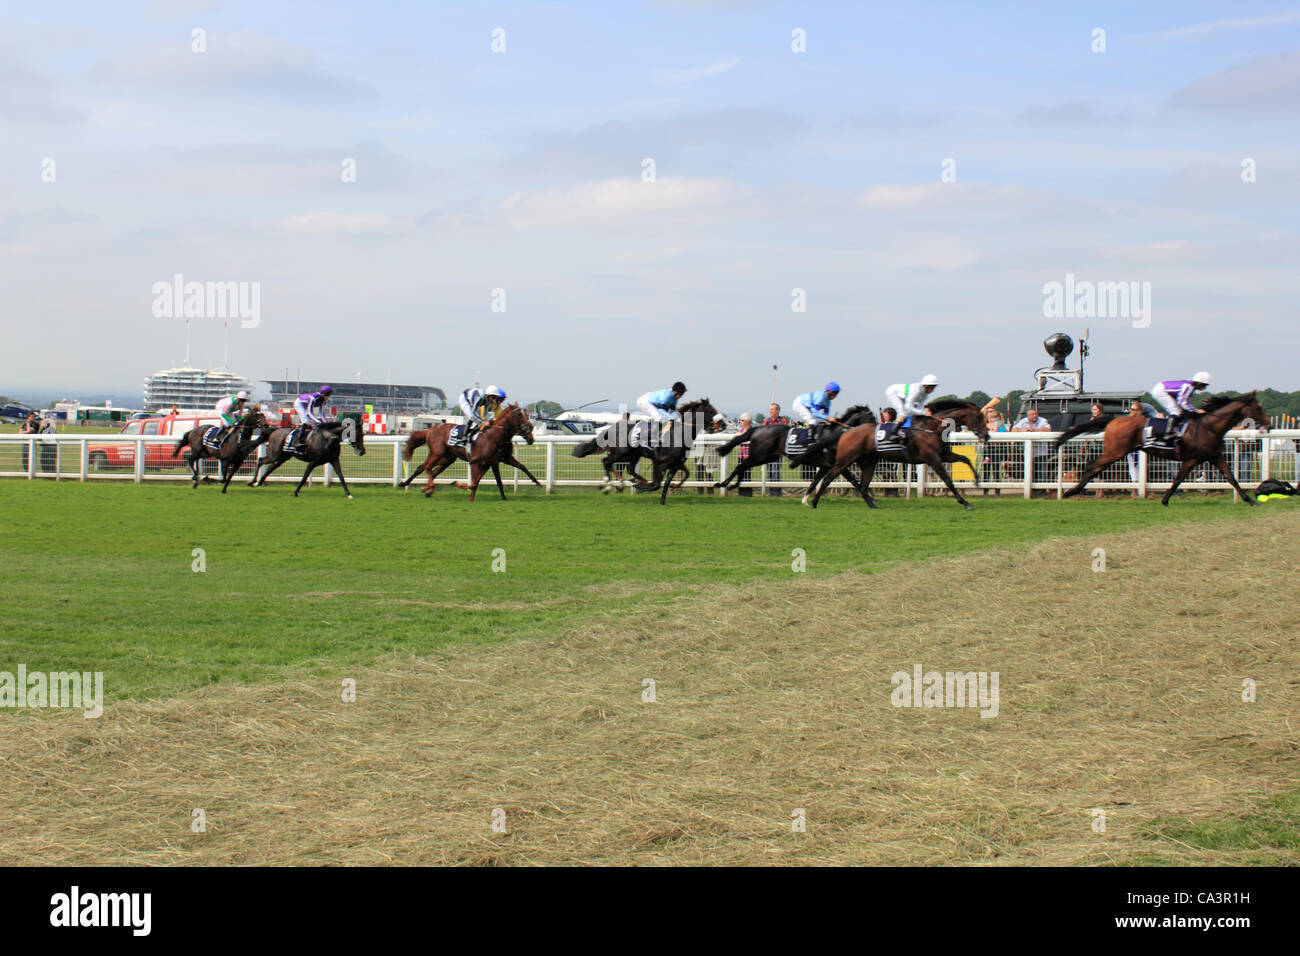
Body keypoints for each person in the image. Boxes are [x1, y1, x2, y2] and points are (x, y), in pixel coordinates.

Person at [1151, 372, 1212, 438]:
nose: (1205, 387)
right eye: (1204, 385)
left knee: (1180, 411)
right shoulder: (1189, 387)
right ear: (1199, 383)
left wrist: (1192, 410)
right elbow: (1182, 403)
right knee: (1176, 411)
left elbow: (1184, 403)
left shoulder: (1191, 386)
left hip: (1162, 389)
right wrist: (1196, 411)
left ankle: (1176, 429)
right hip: (1160, 391)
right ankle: (1168, 433)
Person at [882, 375, 939, 441]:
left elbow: (919, 408)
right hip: (892, 392)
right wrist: (924, 412)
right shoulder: (915, 391)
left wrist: (924, 412)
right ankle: (893, 433)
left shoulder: (925, 394)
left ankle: (903, 431)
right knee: (902, 413)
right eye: (932, 388)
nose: (932, 391)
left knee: (909, 414)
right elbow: (908, 408)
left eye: (933, 388)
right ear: (926, 386)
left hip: (903, 396)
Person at [1012, 405, 1054, 492]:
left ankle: (1041, 491)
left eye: (1035, 414)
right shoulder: (1023, 421)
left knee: (1041, 473)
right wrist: (1023, 430)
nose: (1035, 416)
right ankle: (1031, 491)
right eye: (1032, 414)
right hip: (1028, 453)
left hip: (1041, 452)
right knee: (1030, 473)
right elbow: (1014, 430)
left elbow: (1048, 429)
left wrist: (1034, 430)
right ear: (1028, 415)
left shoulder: (1042, 421)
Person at [763, 403, 789, 496]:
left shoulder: (782, 420)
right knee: (770, 471)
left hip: (777, 451)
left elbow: (785, 432)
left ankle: (777, 491)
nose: (770, 411)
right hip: (768, 451)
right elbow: (762, 431)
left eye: (772, 409)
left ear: (778, 410)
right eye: (770, 409)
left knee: (775, 471)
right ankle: (772, 492)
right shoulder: (767, 420)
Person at [735, 413, 754, 496]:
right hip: (741, 455)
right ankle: (741, 492)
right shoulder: (741, 430)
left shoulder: (751, 430)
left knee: (747, 474)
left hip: (748, 456)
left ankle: (748, 492)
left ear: (747, 421)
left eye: (742, 420)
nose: (741, 422)